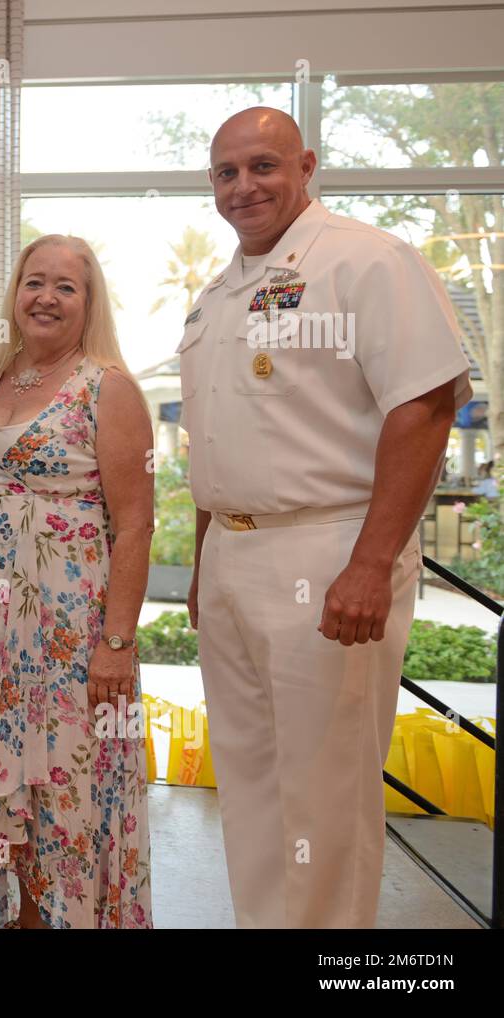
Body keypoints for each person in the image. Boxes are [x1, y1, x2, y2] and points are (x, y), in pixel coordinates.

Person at [181, 107, 471, 928]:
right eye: (227, 173)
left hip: (332, 549)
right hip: (234, 555)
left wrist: (373, 562)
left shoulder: (367, 261)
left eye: (264, 166)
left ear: (306, 166)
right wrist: (204, 566)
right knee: (251, 787)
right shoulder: (216, 295)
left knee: (325, 794)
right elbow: (220, 441)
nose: (245, 187)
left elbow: (421, 408)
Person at [0, 235, 155, 929]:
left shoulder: (108, 386)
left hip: (72, 634)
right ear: (14, 293)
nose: (47, 297)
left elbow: (138, 525)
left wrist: (116, 643)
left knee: (66, 798)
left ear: (88, 304)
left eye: (66, 286)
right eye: (35, 282)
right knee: (2, 798)